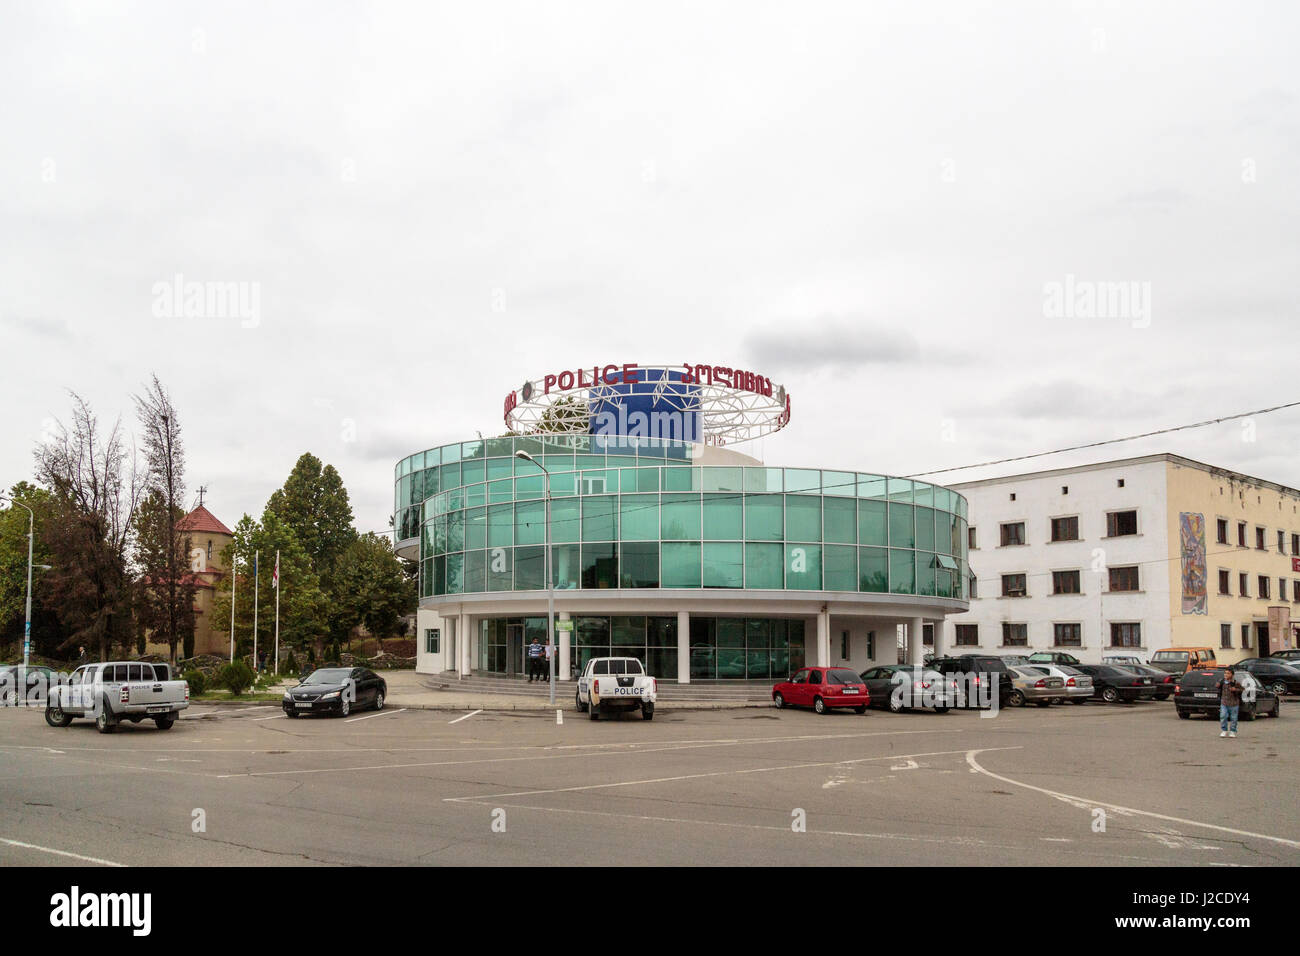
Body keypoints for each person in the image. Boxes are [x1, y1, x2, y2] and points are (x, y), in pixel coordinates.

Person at [1217, 667, 1243, 738]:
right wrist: (1217, 685)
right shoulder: (1222, 681)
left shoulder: (1235, 682)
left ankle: (1232, 731)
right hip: (1224, 703)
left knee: (1234, 718)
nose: (1226, 674)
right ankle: (1224, 730)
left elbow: (1242, 689)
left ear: (1232, 674)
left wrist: (1235, 689)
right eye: (1225, 673)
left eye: (1228, 673)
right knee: (1223, 716)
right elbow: (1217, 687)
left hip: (1234, 703)